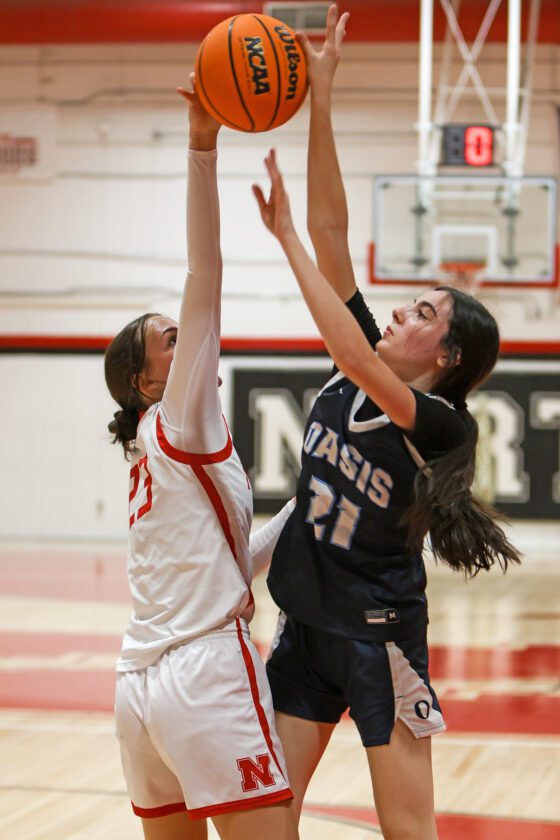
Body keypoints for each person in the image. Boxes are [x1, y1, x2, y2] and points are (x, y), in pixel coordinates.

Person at [252, 6, 522, 839]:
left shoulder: (440, 425)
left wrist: (286, 241)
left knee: (410, 830)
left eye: (426, 311)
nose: (404, 308)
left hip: (380, 642)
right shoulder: (362, 357)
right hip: (307, 626)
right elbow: (337, 230)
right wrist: (320, 95)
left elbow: (354, 342)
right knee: (264, 817)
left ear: (445, 353)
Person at [104, 77, 298, 840]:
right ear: (149, 381)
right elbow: (204, 276)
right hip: (203, 675)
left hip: (137, 688)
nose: (188, 341)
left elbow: (222, 561)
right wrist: (202, 142)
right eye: (171, 340)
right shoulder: (178, 416)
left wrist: (298, 510)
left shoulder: (154, 455)